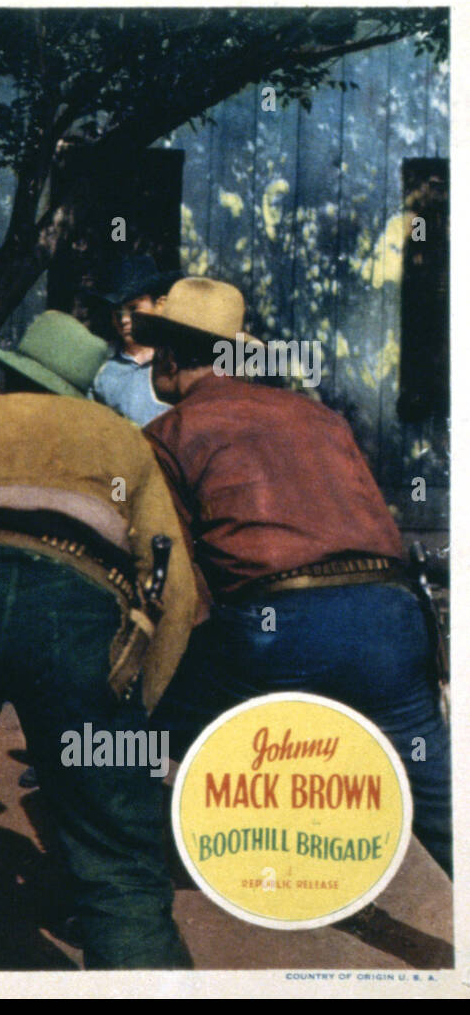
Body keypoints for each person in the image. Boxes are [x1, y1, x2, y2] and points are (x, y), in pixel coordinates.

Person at [0, 310, 198, 970]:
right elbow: (177, 592)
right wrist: (133, 698)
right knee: (117, 854)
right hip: (78, 611)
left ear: (6, 368)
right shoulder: (122, 439)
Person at [137, 277, 453, 879]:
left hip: (279, 623)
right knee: (439, 796)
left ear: (171, 358)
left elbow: (180, 582)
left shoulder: (168, 435)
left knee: (130, 725)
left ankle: (119, 892)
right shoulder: (318, 416)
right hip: (394, 615)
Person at [86, 254, 180, 426]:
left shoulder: (176, 363)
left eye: (133, 308)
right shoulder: (104, 373)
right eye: (117, 313)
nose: (124, 320)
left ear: (158, 306)